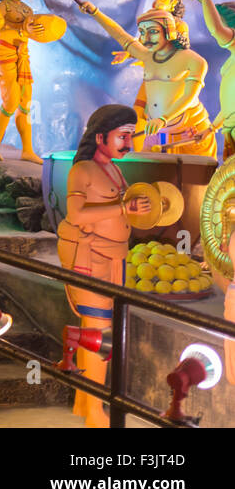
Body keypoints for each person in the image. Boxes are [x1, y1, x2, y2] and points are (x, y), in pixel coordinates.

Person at [56, 104, 149, 427]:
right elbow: (77, 215)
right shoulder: (81, 171)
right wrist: (123, 208)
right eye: (123, 136)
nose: (129, 143)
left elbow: (118, 208)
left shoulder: (113, 168)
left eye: (131, 136)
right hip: (91, 257)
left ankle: (85, 402)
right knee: (99, 333)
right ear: (100, 137)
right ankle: (95, 411)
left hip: (114, 258)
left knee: (94, 331)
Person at [78, 0, 215, 158]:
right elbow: (120, 34)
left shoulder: (195, 61)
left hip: (188, 130)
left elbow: (189, 96)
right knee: (151, 172)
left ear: (169, 31)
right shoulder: (147, 55)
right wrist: (95, 12)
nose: (146, 37)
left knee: (192, 177)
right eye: (142, 33)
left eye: (153, 31)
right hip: (157, 130)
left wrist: (163, 119)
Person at [0, 0, 64, 164]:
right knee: (10, 101)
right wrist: (24, 32)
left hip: (22, 55)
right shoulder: (0, 7)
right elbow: (0, 31)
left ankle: (27, 150)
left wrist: (47, 30)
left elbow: (33, 31)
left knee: (25, 103)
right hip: (4, 53)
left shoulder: (27, 9)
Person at [184, 0, 235, 156]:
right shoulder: (230, 61)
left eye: (223, 25)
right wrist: (211, 128)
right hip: (230, 131)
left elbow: (216, 30)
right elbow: (230, 105)